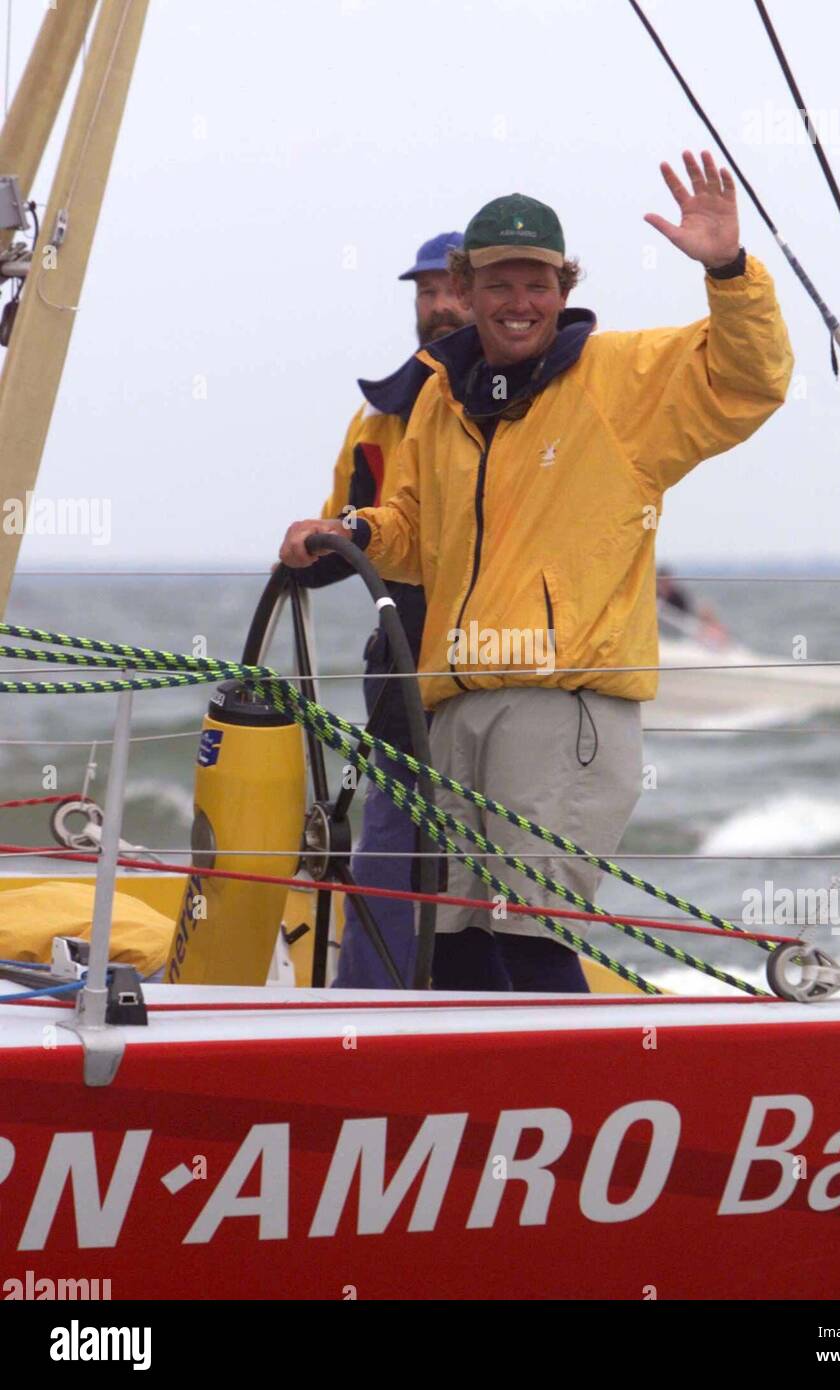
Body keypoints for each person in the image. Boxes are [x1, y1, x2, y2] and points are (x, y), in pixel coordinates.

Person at [281, 152, 794, 993]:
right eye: (497, 285)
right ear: (467, 288)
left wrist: (728, 270)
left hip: (560, 708)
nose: (519, 304)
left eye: (537, 284)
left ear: (564, 286)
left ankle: (565, 1111)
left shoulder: (621, 379)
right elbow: (413, 531)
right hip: (453, 703)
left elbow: (751, 376)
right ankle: (462, 1114)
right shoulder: (442, 399)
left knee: (529, 936)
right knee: (449, 946)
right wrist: (350, 531)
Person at [299, 230, 472, 987]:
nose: (438, 307)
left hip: (502, 658)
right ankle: (366, 1006)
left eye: (452, 291)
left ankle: (483, 1006)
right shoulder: (377, 417)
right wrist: (312, 551)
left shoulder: (528, 402)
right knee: (389, 836)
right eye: (425, 294)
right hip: (402, 653)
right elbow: (350, 521)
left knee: (490, 847)